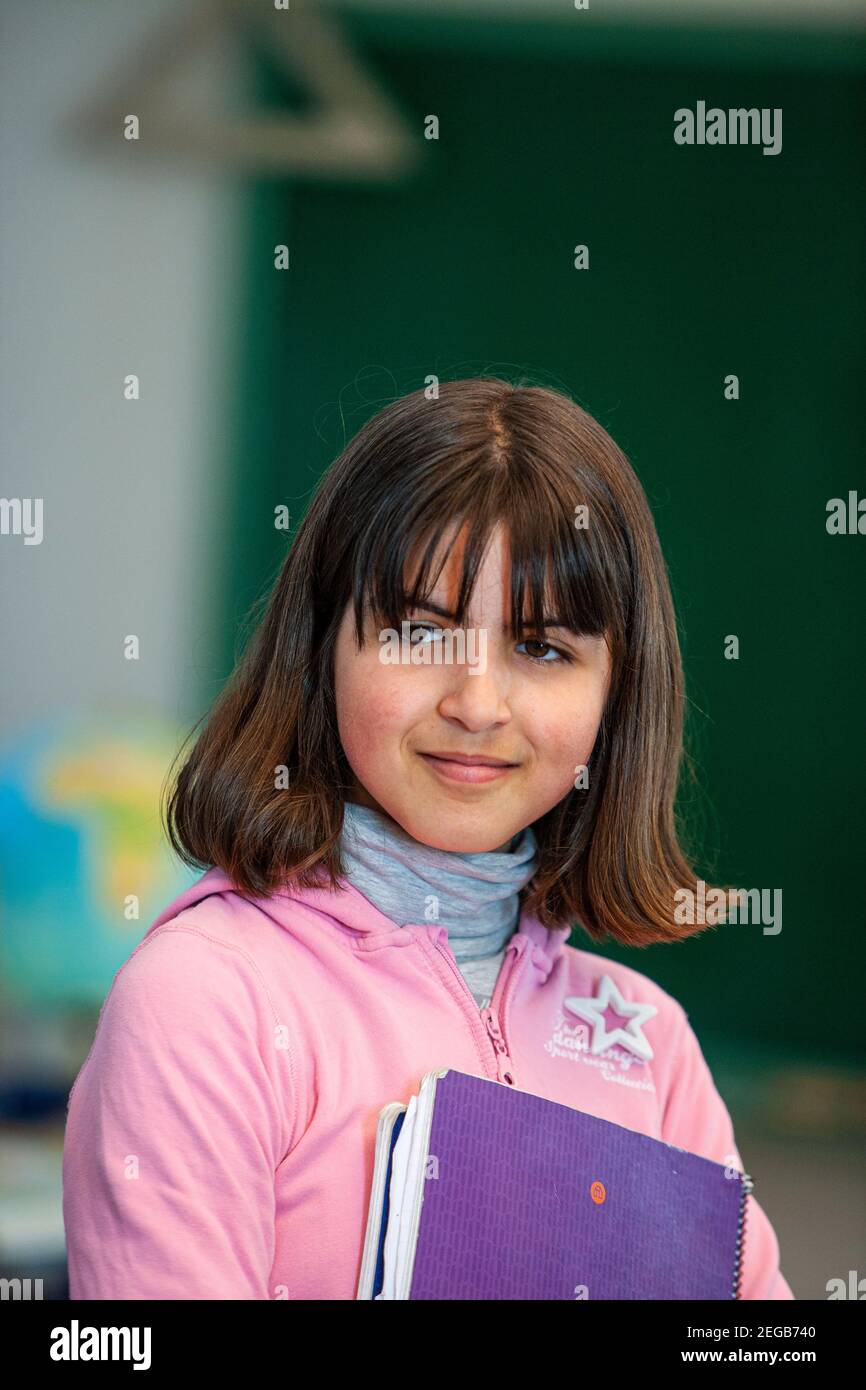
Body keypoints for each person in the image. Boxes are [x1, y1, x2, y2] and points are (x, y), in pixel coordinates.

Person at [62, 377, 794, 1299]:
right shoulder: (207, 1000)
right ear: (323, 648)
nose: (476, 704)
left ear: (617, 699)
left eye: (542, 649)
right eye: (419, 632)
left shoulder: (650, 1043)